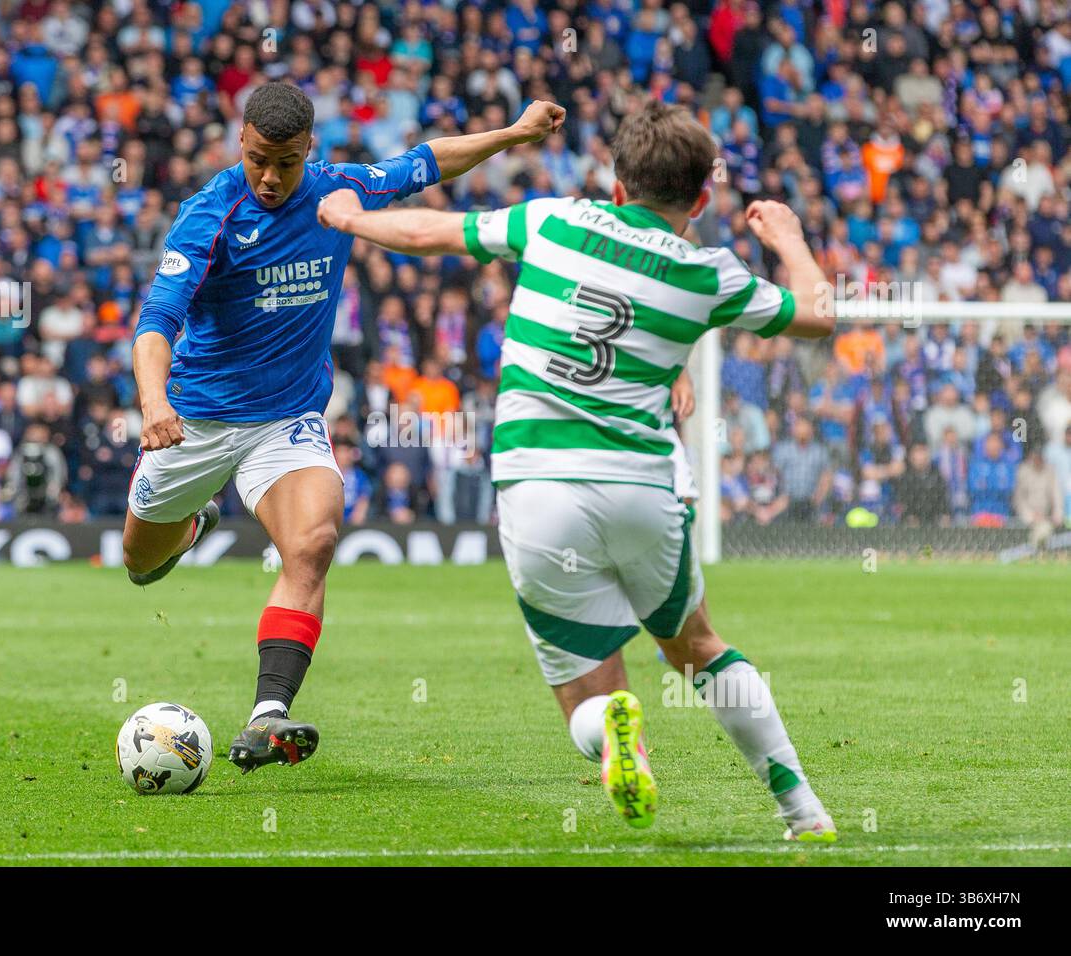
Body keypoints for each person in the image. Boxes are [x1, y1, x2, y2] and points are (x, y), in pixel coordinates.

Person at [318, 99, 838, 842]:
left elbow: (428, 231)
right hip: (642, 489)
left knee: (581, 686)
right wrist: (789, 239)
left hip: (537, 488)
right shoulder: (708, 272)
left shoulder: (554, 221)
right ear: (701, 197)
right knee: (695, 647)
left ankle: (614, 736)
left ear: (616, 186)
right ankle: (802, 810)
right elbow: (819, 315)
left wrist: (348, 217)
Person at [122, 81, 565, 774]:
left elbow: (427, 162)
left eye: (287, 163)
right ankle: (189, 527)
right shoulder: (208, 215)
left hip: (286, 420)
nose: (271, 177)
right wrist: (154, 404)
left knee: (314, 543)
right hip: (195, 422)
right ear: (241, 139)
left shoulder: (336, 193)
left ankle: (268, 713)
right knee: (140, 565)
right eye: (260, 159)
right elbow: (156, 324)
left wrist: (513, 133)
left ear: (309, 151)